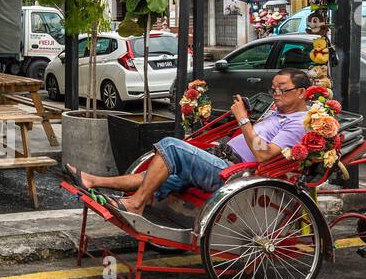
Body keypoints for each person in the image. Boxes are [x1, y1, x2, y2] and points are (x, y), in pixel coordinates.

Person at [74, 68, 311, 214]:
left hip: (234, 173)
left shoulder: (297, 122)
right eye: (274, 90)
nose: (276, 94)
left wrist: (243, 120)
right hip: (223, 157)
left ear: (301, 92)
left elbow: (264, 153)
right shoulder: (277, 113)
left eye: (282, 90)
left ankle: (136, 203)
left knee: (170, 145)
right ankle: (95, 180)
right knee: (161, 173)